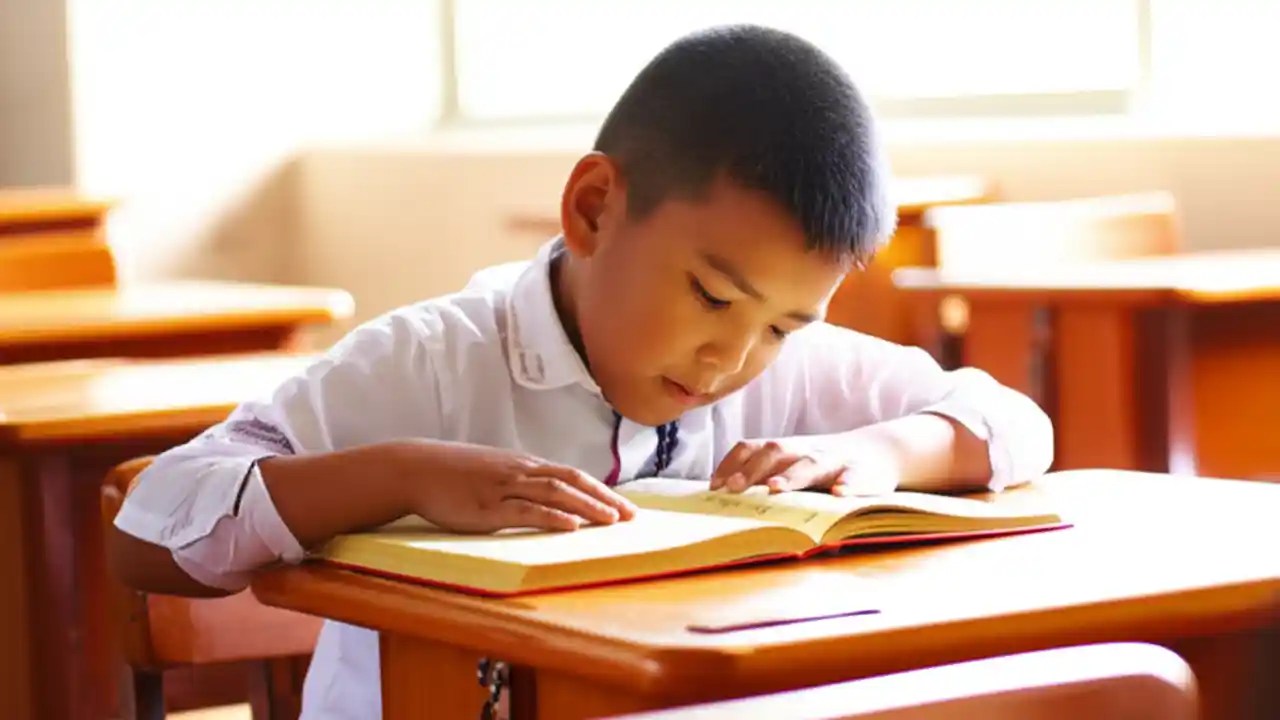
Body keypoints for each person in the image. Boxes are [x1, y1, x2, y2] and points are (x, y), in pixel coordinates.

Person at [110, 24, 1053, 719]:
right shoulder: (431, 363)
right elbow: (152, 526)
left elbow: (1013, 424)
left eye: (783, 326)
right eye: (713, 297)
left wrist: (883, 454)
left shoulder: (785, 375)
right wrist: (400, 476)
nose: (732, 360)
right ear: (595, 209)